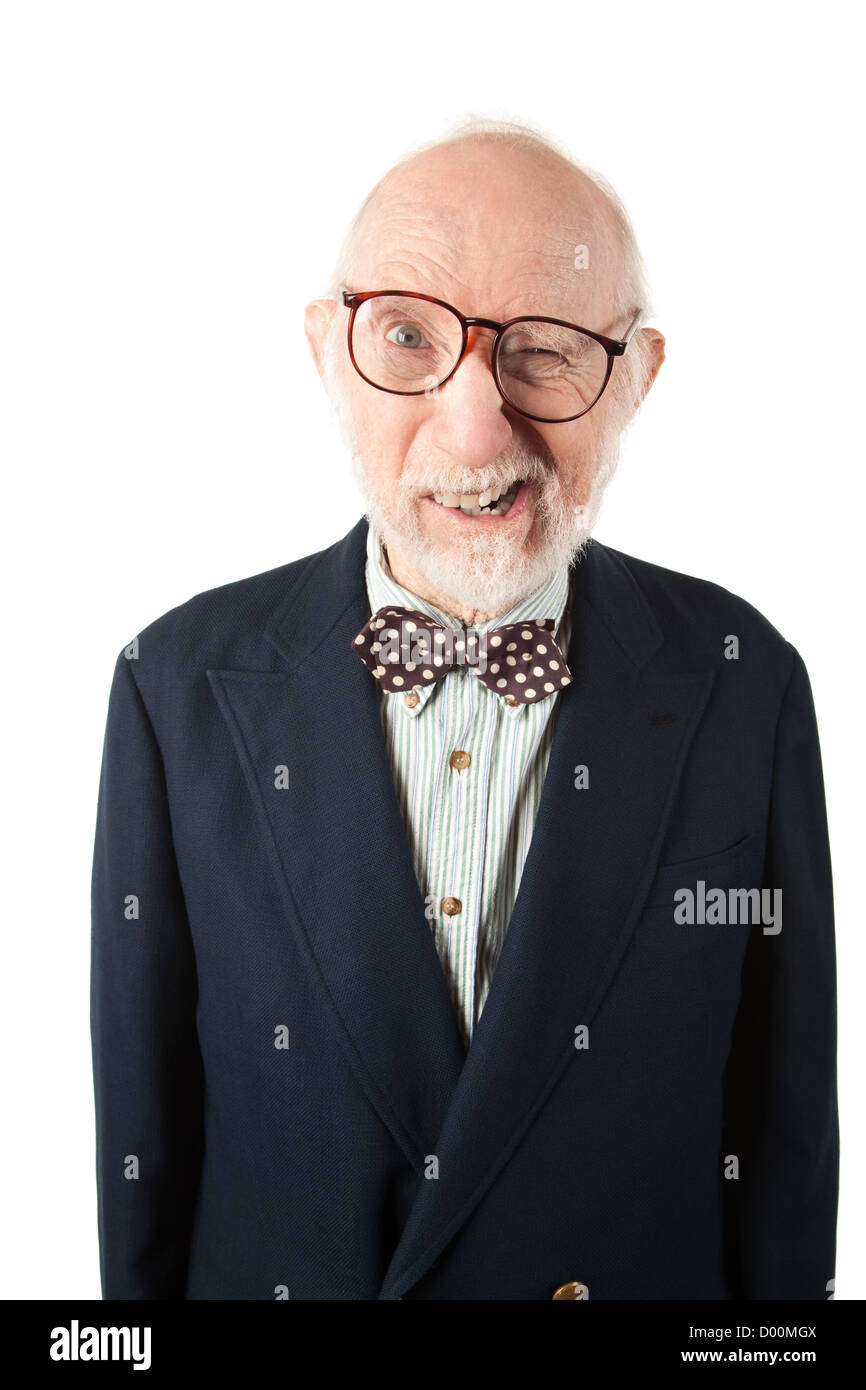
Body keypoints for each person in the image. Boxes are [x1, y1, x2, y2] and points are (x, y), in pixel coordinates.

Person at [90, 117, 838, 1300]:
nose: (476, 423)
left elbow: (783, 1143)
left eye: (543, 349)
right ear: (327, 352)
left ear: (635, 379)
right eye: (404, 334)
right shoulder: (172, 683)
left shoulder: (748, 678)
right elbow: (144, 1152)